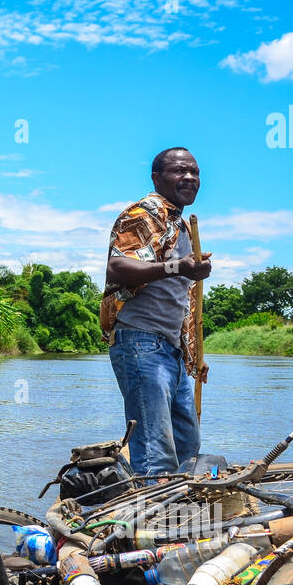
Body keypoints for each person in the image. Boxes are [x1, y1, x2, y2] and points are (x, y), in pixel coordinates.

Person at [100, 147, 211, 477]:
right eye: (179, 171)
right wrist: (179, 266)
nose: (189, 177)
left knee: (187, 448)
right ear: (157, 178)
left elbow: (181, 301)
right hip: (141, 344)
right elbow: (117, 267)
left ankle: (179, 520)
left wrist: (193, 357)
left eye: (194, 172)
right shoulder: (146, 212)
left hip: (171, 353)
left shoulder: (181, 225)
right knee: (155, 453)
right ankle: (153, 525)